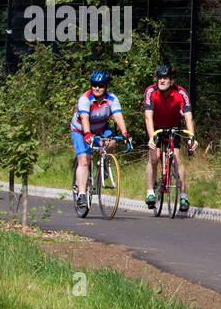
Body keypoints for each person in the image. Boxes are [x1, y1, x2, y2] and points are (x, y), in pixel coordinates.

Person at [70, 69, 131, 214]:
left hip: (101, 128)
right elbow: (84, 118)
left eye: (101, 85)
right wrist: (86, 134)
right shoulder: (85, 99)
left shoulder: (112, 99)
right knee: (84, 159)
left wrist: (125, 134)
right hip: (81, 130)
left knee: (111, 143)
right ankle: (82, 195)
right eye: (94, 84)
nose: (97, 88)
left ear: (106, 86)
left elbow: (117, 116)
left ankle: (105, 163)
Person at [143, 64, 198, 212]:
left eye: (165, 78)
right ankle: (150, 193)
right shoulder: (150, 91)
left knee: (177, 160)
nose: (161, 81)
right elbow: (148, 117)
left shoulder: (181, 94)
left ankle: (183, 196)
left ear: (172, 81)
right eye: (159, 78)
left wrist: (191, 137)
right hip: (155, 127)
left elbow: (188, 117)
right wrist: (151, 137)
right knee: (154, 158)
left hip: (173, 127)